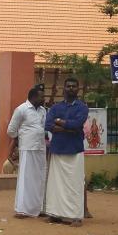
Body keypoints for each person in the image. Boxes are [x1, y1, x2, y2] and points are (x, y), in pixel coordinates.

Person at [44, 78, 89, 227]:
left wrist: (61, 123)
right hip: (58, 149)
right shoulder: (56, 107)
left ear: (78, 89)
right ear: (64, 88)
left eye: (73, 86)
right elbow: (48, 124)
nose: (70, 88)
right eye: (68, 86)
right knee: (55, 185)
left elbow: (77, 124)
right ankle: (55, 214)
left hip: (74, 150)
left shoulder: (82, 107)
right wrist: (68, 127)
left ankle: (76, 217)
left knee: (75, 184)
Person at [7, 85, 48, 219]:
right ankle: (22, 209)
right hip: (27, 148)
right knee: (26, 178)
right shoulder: (21, 109)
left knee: (40, 178)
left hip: (40, 148)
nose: (44, 99)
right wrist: (22, 137)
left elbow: (44, 127)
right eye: (41, 96)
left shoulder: (43, 111)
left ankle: (38, 208)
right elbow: (11, 130)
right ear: (33, 97)